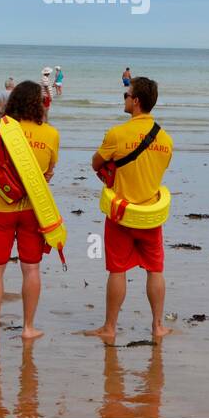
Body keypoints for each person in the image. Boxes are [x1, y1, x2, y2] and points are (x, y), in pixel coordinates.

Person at [86, 77, 174, 344]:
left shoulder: (117, 133)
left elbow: (95, 163)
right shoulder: (166, 140)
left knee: (117, 270)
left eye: (127, 94)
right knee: (155, 270)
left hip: (121, 214)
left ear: (136, 101)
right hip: (150, 215)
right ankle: (158, 326)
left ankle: (110, 327)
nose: (124, 98)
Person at [0, 80, 58, 343]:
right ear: (39, 104)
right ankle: (28, 328)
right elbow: (48, 172)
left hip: (1, 206)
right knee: (31, 269)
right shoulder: (51, 134)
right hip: (34, 210)